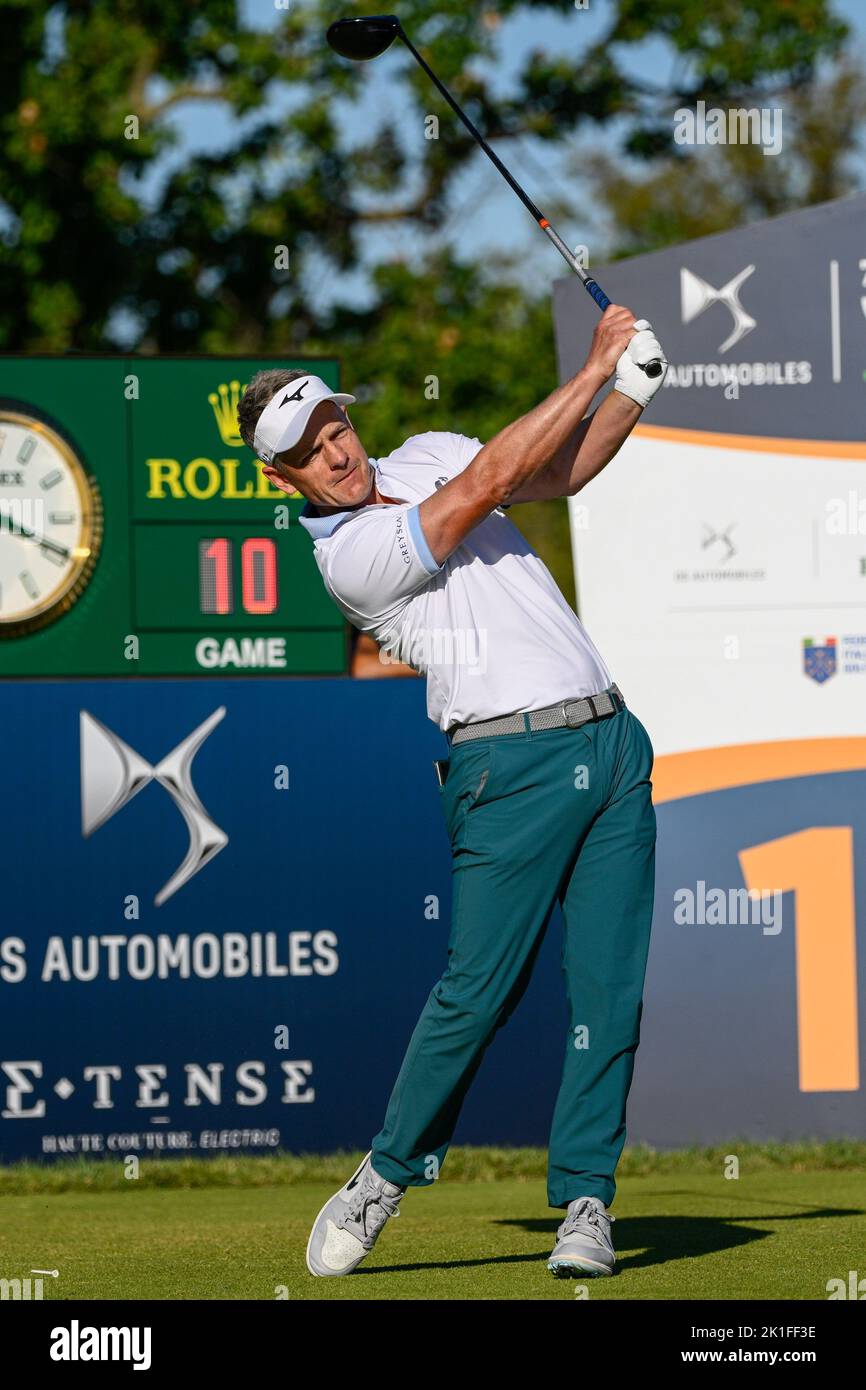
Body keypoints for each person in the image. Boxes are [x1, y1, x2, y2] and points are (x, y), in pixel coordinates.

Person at [236, 305, 668, 1279]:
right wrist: (594, 364)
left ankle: (585, 1202)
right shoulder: (347, 556)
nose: (334, 451)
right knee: (477, 993)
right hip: (503, 771)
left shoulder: (426, 447)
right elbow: (492, 480)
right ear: (284, 479)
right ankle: (384, 1175)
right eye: (307, 450)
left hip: (608, 740)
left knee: (608, 988)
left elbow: (553, 473)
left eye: (334, 426)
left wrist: (630, 391)